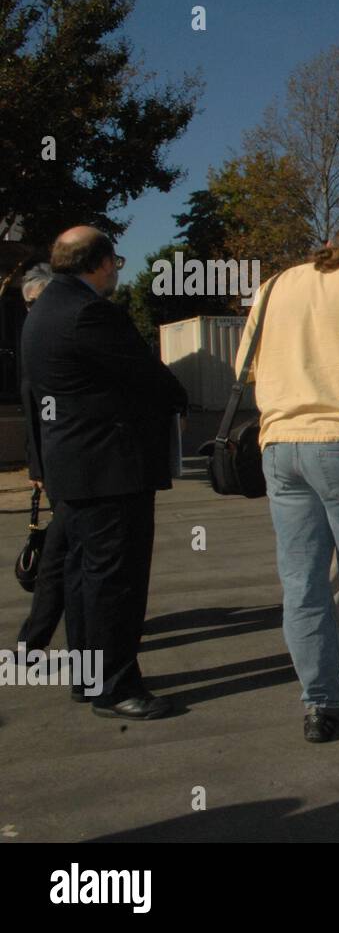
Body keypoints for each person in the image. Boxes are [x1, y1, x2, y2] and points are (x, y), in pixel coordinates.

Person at [233, 221, 339, 746]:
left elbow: (244, 366)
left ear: (332, 247)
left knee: (303, 586)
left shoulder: (275, 286)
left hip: (282, 445)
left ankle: (322, 706)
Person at [20, 227, 188, 719]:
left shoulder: (44, 310)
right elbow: (145, 373)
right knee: (116, 581)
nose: (117, 269)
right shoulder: (89, 312)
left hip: (73, 466)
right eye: (114, 261)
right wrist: (176, 396)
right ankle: (115, 686)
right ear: (100, 263)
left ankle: (89, 676)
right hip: (110, 468)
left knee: (83, 575)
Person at [15, 263, 80, 668]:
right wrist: (37, 467)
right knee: (62, 557)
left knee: (63, 553)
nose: (33, 310)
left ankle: (35, 641)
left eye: (38, 302)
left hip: (67, 464)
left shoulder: (46, 335)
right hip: (61, 467)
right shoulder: (36, 337)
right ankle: (35, 640)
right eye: (28, 304)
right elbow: (32, 411)